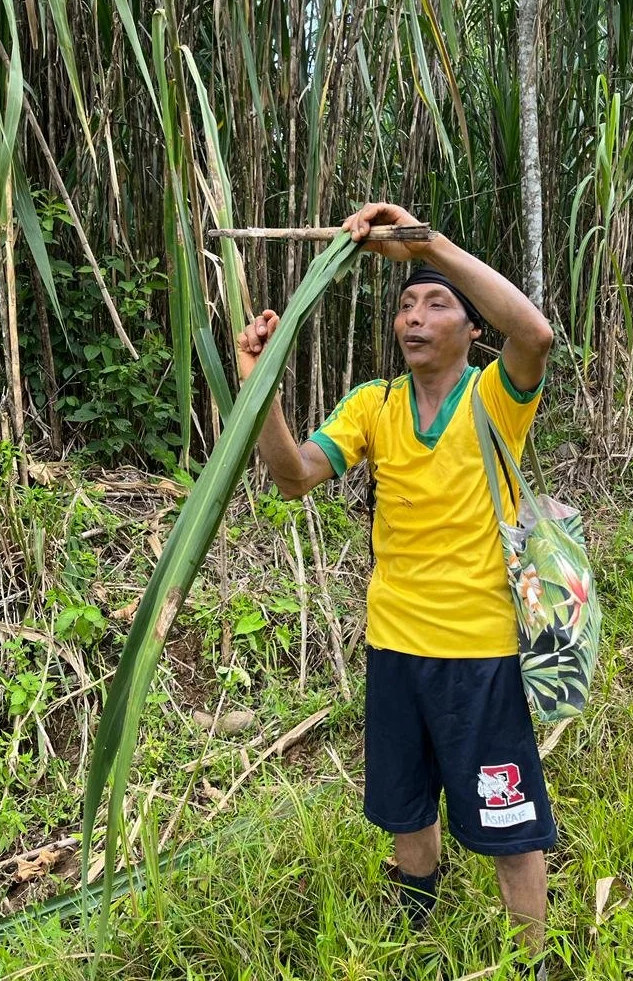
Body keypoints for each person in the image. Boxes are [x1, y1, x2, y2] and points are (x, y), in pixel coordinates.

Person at [237, 202, 555, 975]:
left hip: (479, 650)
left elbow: (537, 334)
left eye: (435, 301)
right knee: (405, 809)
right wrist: (262, 386)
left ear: (471, 326)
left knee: (508, 819)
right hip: (393, 645)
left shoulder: (494, 398)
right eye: (405, 304)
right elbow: (293, 477)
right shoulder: (374, 406)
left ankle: (532, 962)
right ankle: (414, 933)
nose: (414, 316)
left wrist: (428, 244)